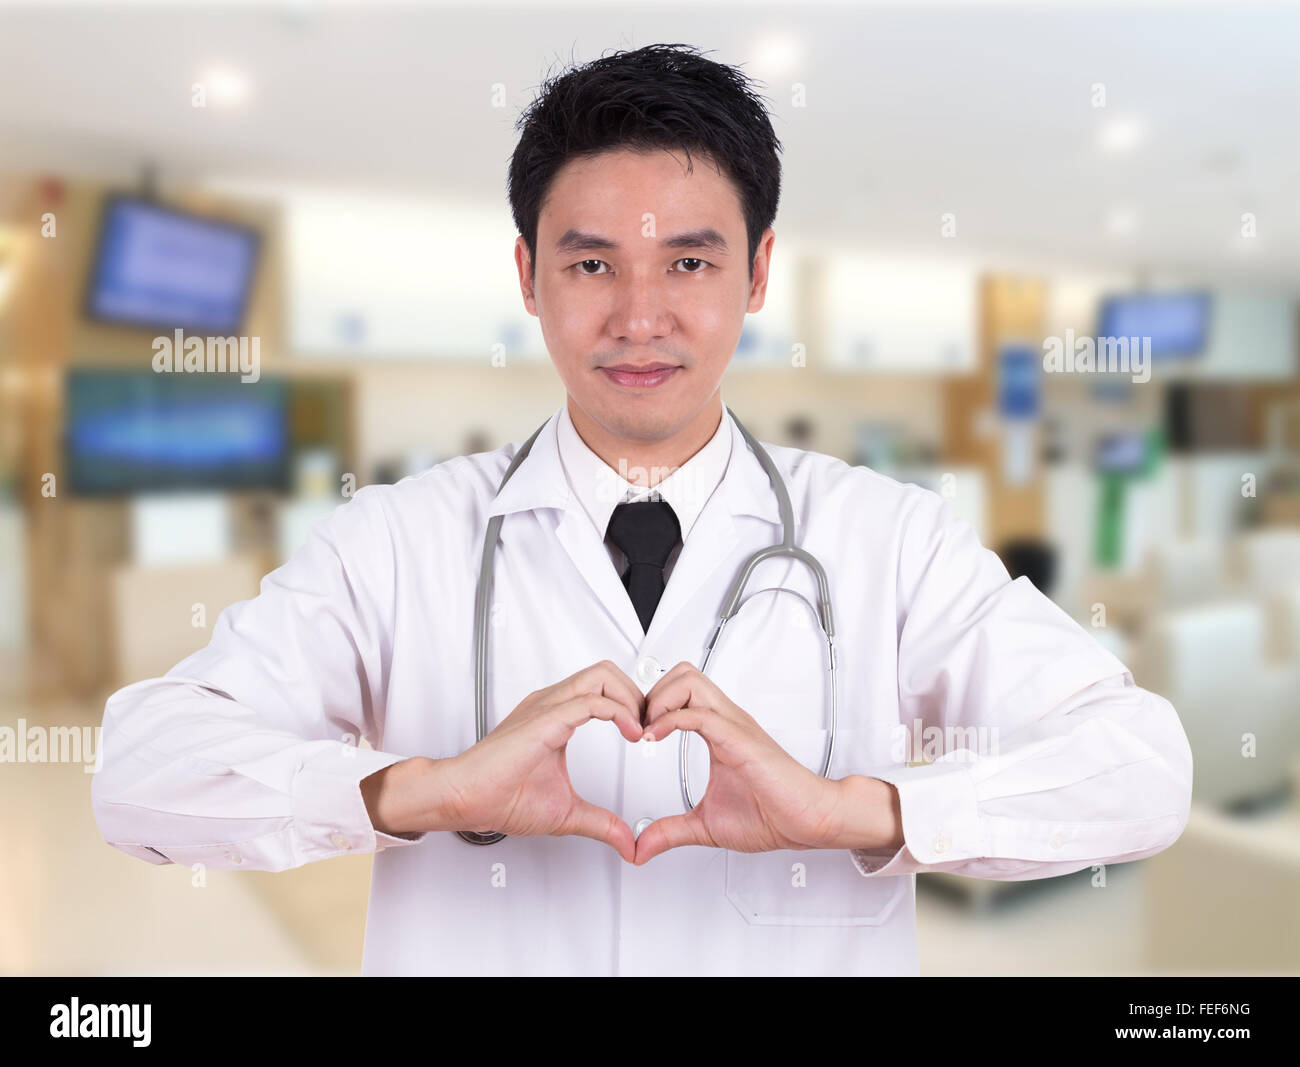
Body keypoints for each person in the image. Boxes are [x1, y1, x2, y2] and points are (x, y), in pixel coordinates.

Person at [92, 43, 1193, 977]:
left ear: (757, 273)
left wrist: (858, 811)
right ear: (528, 275)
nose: (638, 315)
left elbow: (1142, 768)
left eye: (689, 260)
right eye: (590, 262)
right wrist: (413, 789)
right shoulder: (394, 539)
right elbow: (141, 770)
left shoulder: (887, 540)